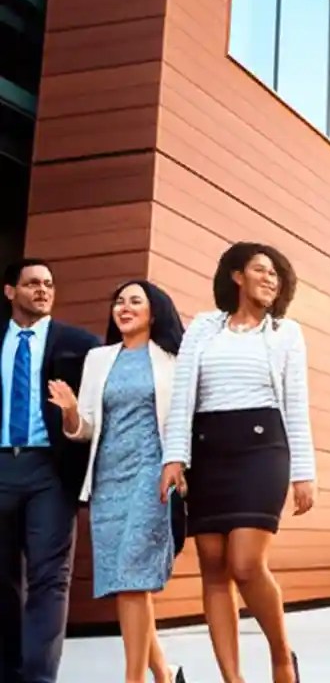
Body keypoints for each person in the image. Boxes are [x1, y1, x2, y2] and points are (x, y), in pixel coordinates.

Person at [160, 243, 317, 683]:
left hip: (262, 448)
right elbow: (183, 396)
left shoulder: (286, 332)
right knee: (212, 564)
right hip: (208, 449)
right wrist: (175, 457)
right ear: (237, 275)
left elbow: (295, 404)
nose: (270, 279)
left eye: (276, 275)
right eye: (261, 270)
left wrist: (304, 473)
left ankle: (282, 657)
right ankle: (233, 679)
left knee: (246, 564)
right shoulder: (205, 327)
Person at [49, 280, 187, 683]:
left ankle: (134, 679)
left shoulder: (172, 359)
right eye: (119, 302)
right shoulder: (99, 358)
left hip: (152, 474)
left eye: (135, 301)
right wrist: (72, 412)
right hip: (108, 479)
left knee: (133, 575)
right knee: (128, 584)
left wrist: (178, 465)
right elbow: (86, 428)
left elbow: (182, 419)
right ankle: (164, 673)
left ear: (154, 311)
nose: (124, 308)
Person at [0, 258, 100, 683]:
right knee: (2, 581)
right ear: (10, 291)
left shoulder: (80, 344)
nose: (42, 290)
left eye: (48, 284)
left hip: (50, 472)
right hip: (1, 464)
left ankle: (38, 678)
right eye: (32, 283)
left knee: (49, 579)